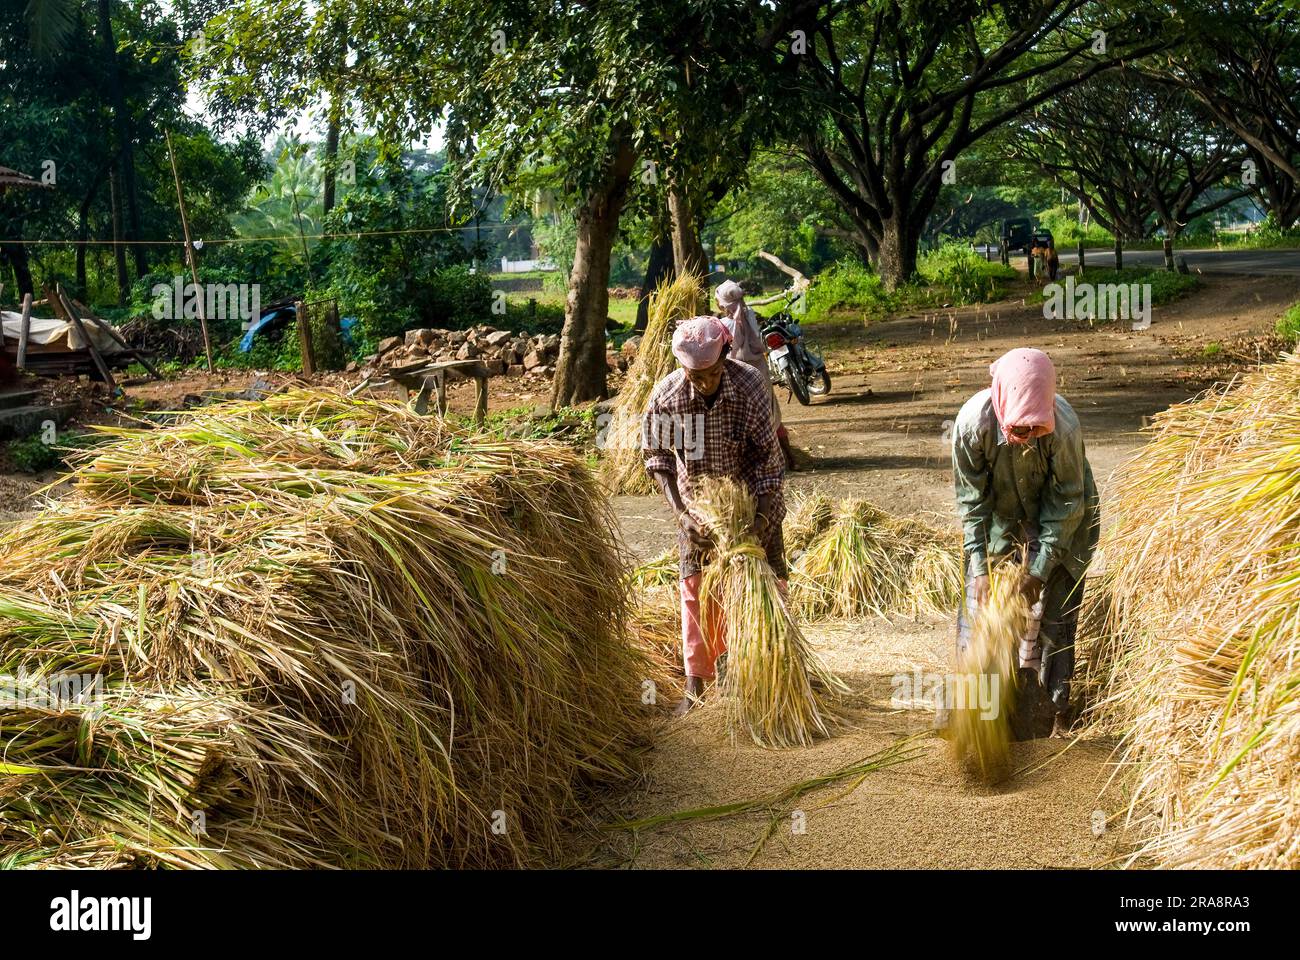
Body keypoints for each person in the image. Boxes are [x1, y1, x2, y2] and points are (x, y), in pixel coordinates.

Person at [642, 315, 787, 716]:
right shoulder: (667, 397)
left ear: (725, 355)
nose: (703, 382)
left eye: (710, 373)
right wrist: (682, 513)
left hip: (754, 501)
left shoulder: (750, 387)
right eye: (694, 375)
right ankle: (696, 684)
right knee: (696, 590)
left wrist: (758, 523)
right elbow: (656, 459)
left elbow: (768, 464)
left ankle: (775, 670)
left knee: (768, 583)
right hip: (699, 509)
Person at [950, 347, 1099, 739]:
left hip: (1068, 527)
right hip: (1001, 524)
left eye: (1034, 429)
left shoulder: (1063, 429)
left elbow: (1066, 504)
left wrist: (1040, 570)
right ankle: (978, 715)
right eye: (1017, 429)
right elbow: (972, 504)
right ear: (999, 404)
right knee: (980, 616)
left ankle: (1053, 717)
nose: (1024, 438)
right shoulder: (971, 427)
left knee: (1055, 620)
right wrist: (981, 568)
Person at [715, 279, 796, 470]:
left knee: (745, 419)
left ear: (723, 304)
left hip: (738, 374)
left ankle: (759, 463)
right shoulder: (750, 314)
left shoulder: (724, 324)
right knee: (770, 414)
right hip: (760, 371)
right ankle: (791, 459)